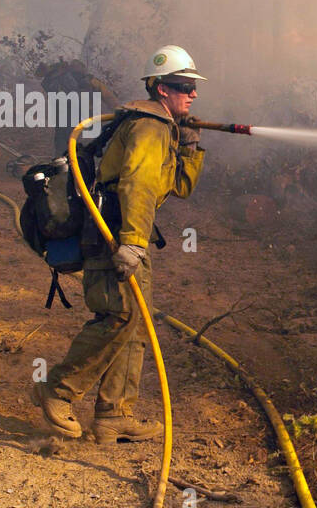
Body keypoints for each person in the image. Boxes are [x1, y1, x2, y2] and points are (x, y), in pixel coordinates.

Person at [30, 44, 206, 443]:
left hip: (126, 236)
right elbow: (138, 184)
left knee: (134, 323)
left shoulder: (162, 129)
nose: (192, 94)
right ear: (161, 89)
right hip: (115, 237)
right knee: (118, 316)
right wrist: (132, 243)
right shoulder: (149, 127)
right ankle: (55, 390)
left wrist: (190, 146)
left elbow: (179, 186)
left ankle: (114, 413)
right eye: (183, 86)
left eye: (194, 87)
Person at [37, 58, 119, 158]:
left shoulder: (51, 82)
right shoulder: (88, 80)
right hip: (87, 121)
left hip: (65, 124)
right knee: (94, 151)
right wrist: (120, 112)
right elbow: (109, 97)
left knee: (63, 155)